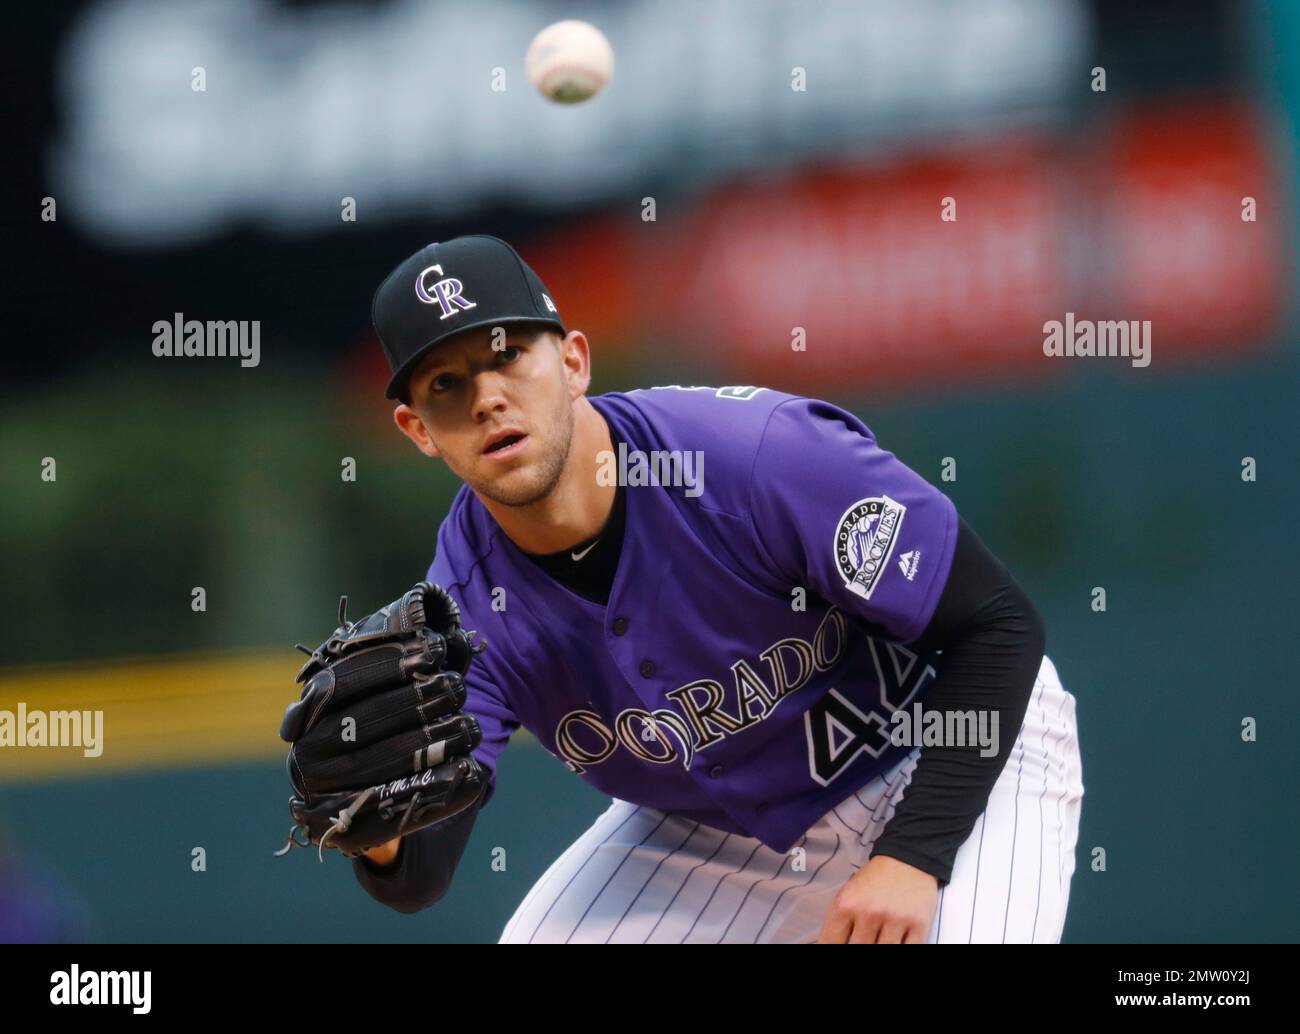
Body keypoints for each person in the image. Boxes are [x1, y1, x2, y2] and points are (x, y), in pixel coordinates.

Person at [352, 235, 1083, 943]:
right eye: (447, 384)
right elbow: (419, 873)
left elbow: (997, 627)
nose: (486, 398)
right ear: (418, 430)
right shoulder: (462, 612)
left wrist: (914, 855)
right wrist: (379, 827)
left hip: (939, 749)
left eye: (507, 355)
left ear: (573, 363)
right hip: (714, 837)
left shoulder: (757, 458)